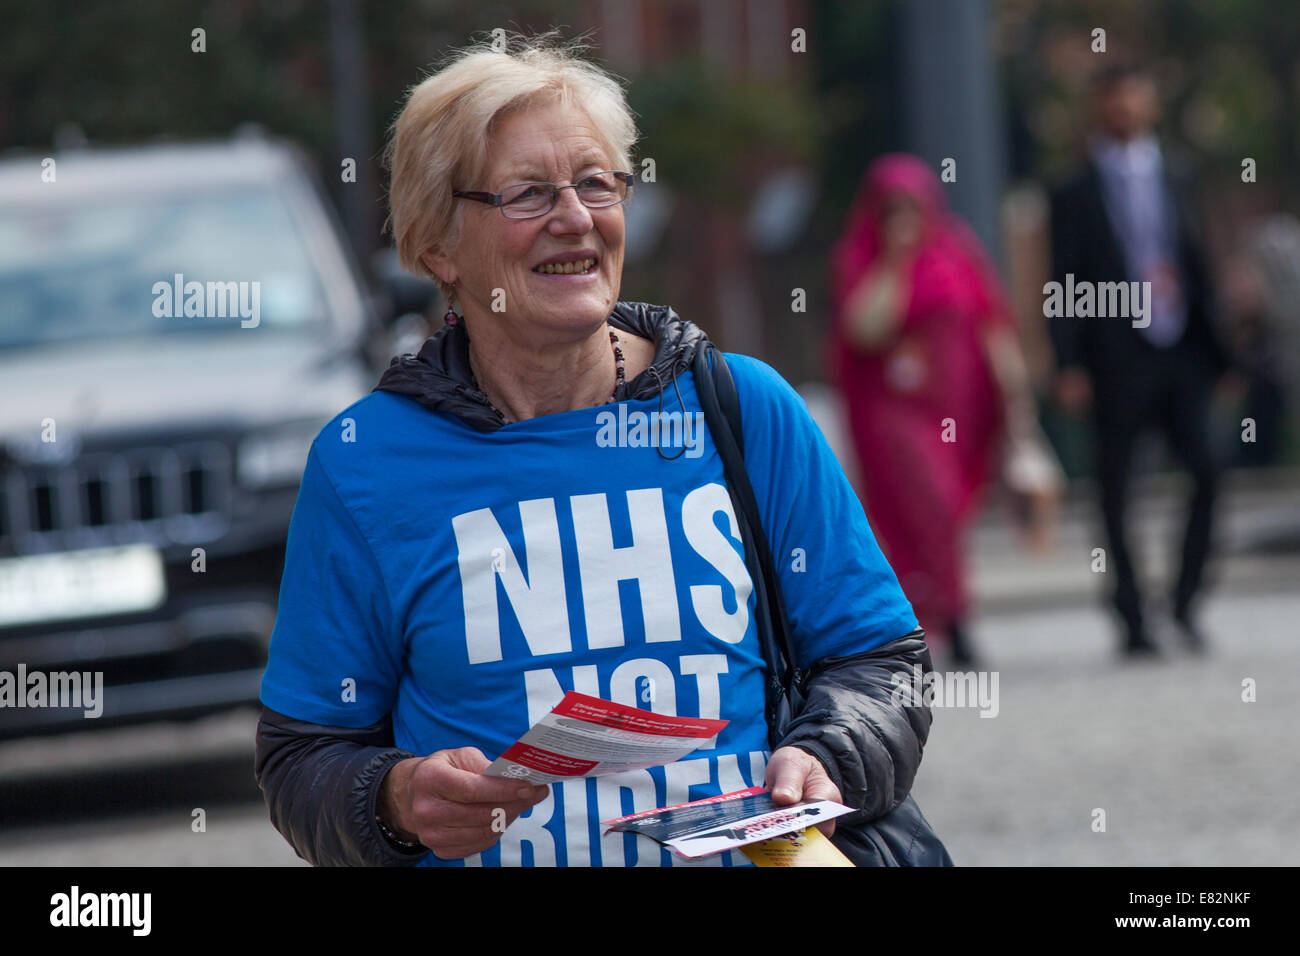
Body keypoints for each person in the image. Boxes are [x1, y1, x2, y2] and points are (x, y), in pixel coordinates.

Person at [254, 34, 935, 867]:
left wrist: (830, 753)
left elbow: (879, 660)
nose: (574, 217)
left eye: (595, 183)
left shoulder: (744, 410)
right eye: (528, 194)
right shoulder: (364, 462)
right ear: (437, 245)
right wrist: (395, 800)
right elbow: (303, 754)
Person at [827, 154, 1060, 667]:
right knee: (925, 505)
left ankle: (928, 614)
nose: (905, 219)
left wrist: (1016, 404)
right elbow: (864, 329)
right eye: (892, 210)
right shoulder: (862, 258)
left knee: (948, 514)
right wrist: (894, 263)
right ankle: (955, 618)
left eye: (913, 207)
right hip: (895, 415)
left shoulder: (956, 252)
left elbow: (991, 324)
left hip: (958, 412)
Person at [1048, 62, 1230, 657]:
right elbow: (1064, 277)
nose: (1124, 107)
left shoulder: (1178, 172)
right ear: (1100, 106)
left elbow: (1199, 257)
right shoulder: (1074, 191)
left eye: (1134, 95)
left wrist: (1221, 350)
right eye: (1113, 98)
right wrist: (1068, 361)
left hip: (1181, 347)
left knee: (1207, 468)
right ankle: (1131, 615)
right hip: (1115, 355)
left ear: (1149, 102)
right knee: (1117, 489)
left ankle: (1184, 600)